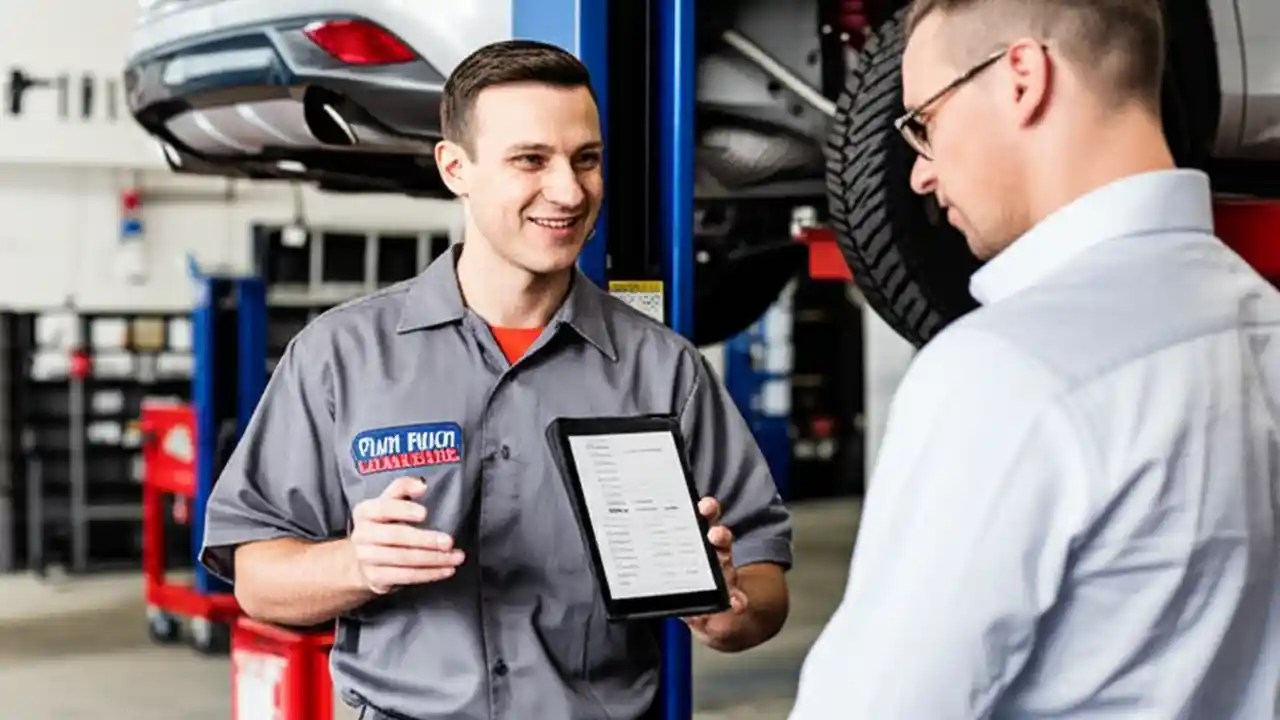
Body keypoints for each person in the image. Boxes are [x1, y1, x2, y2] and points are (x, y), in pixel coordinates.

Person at [201, 39, 792, 720]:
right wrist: (356, 563)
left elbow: (761, 576)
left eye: (587, 160)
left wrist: (728, 611)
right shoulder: (341, 356)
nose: (570, 191)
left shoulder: (663, 370)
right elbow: (256, 577)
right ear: (456, 168)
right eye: (530, 160)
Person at [790, 0, 1280, 717]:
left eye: (924, 122)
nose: (919, 176)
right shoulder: (1264, 325)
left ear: (1022, 77)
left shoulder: (1003, 376)